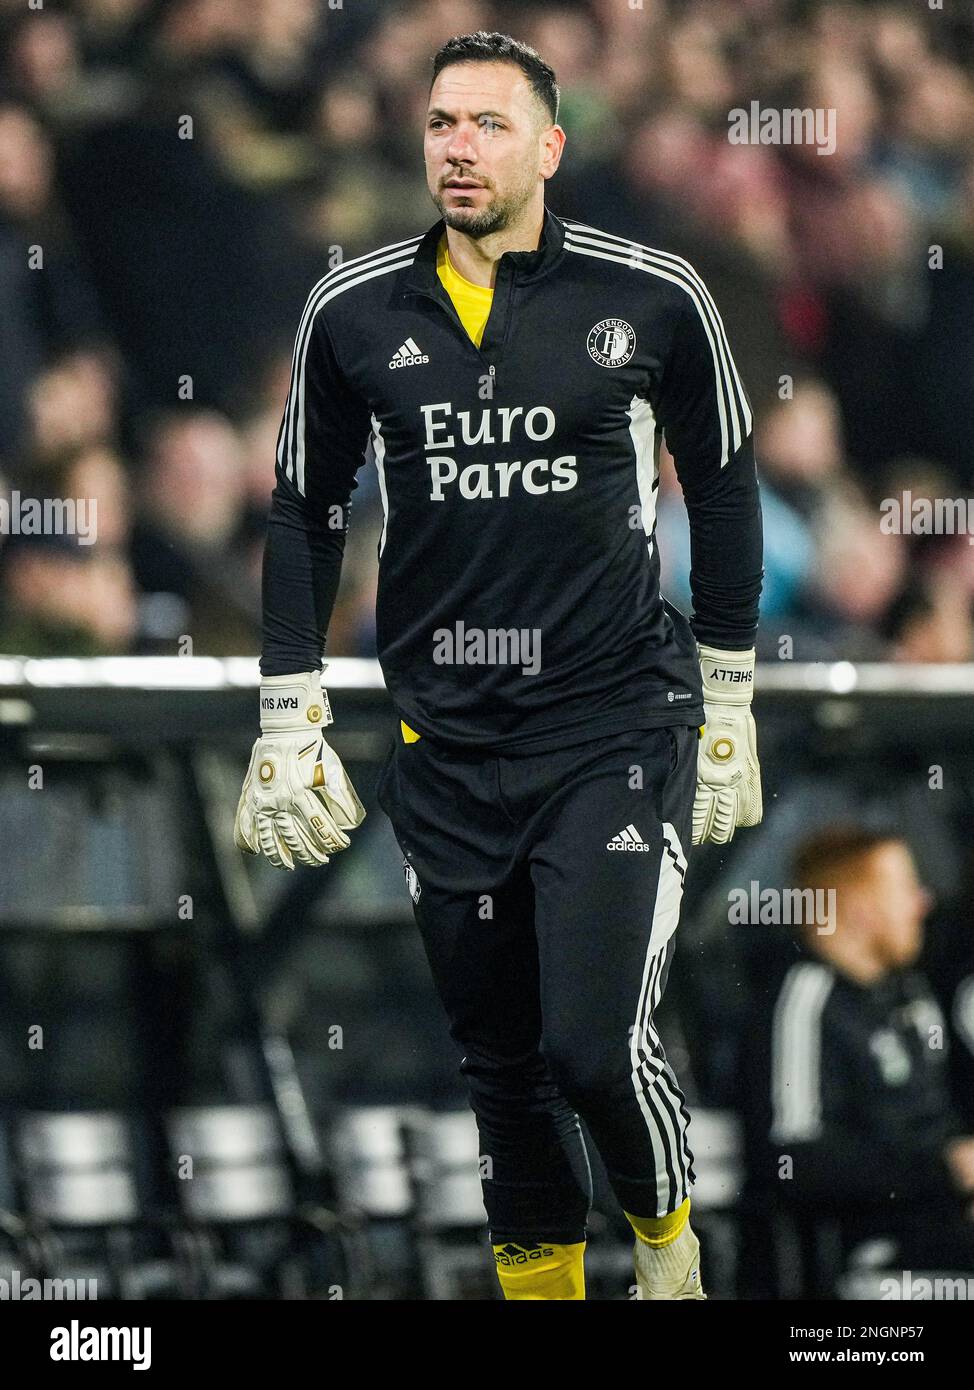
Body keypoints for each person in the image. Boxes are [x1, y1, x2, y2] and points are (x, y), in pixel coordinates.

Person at [234, 30, 763, 1301]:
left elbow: (728, 483)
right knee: (502, 1070)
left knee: (592, 1049)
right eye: (437, 125)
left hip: (610, 728)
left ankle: (667, 1255)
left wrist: (731, 691)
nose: (456, 148)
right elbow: (302, 508)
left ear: (548, 146)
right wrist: (287, 703)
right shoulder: (351, 308)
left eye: (484, 124)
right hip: (446, 745)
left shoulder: (651, 296)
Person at [740, 827, 974, 1294]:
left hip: (937, 1233)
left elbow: (935, 1125)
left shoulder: (910, 997)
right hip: (867, 1255)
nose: (922, 903)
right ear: (860, 907)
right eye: (905, 888)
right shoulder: (806, 998)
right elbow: (792, 1159)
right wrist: (947, 1170)